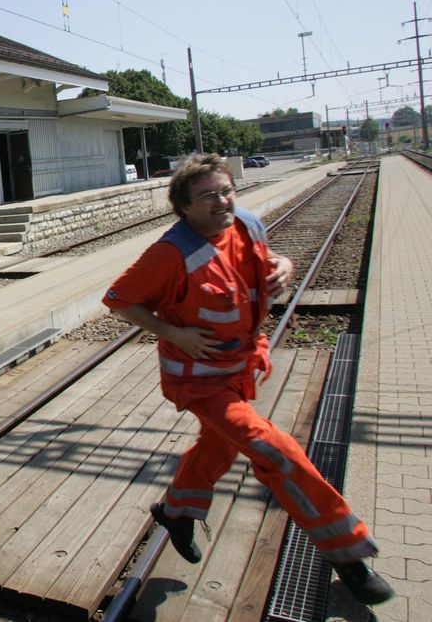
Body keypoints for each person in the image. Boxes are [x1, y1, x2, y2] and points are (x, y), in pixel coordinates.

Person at [102, 153, 393, 606]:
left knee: (216, 447)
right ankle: (348, 554)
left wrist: (286, 265)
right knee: (276, 451)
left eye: (226, 190)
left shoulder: (247, 224)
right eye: (208, 196)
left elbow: (263, 260)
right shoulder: (169, 253)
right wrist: (173, 331)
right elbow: (119, 299)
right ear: (184, 207)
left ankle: (176, 512)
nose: (222, 201)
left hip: (240, 367)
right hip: (200, 382)